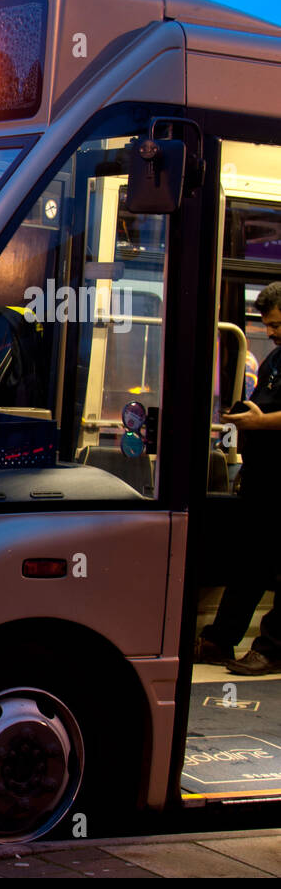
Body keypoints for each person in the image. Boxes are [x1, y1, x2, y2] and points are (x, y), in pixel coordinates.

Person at [195, 282, 281, 674]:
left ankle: (273, 647)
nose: (272, 332)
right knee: (249, 561)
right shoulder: (275, 360)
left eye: (277, 324)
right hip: (264, 474)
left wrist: (261, 421)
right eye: (268, 325)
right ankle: (220, 640)